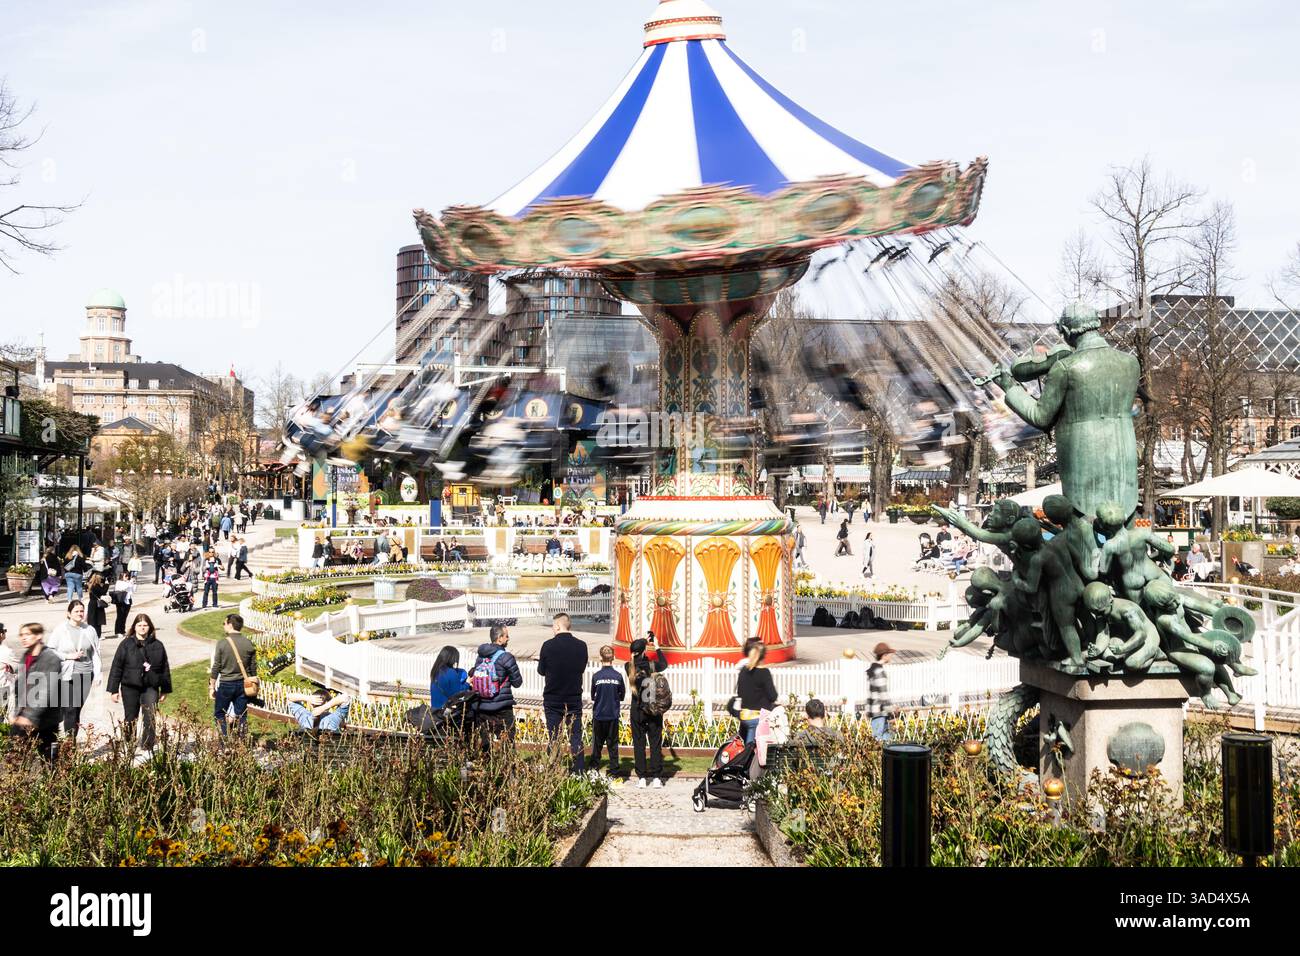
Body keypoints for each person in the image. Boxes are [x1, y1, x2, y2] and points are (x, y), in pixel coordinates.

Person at [106, 613, 171, 754]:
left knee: (150, 716)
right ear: (134, 627)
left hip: (150, 686)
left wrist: (165, 689)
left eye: (145, 625)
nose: (142, 628)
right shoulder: (126, 644)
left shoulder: (158, 645)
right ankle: (129, 743)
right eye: (139, 625)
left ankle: (148, 745)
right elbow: (117, 666)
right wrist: (113, 689)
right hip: (130, 686)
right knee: (131, 717)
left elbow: (164, 668)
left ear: (150, 627)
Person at [538, 612, 589, 773]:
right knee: (576, 737)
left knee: (554, 737)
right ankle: (579, 772)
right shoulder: (581, 646)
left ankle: (551, 771)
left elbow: (541, 671)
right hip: (573, 697)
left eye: (553, 627)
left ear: (558, 626)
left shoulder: (547, 645)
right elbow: (581, 667)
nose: (553, 630)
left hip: (553, 698)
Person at [49, 600, 100, 742]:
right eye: (76, 611)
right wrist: (67, 656)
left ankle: (71, 738)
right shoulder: (61, 630)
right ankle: (69, 743)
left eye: (81, 611)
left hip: (86, 674)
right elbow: (50, 650)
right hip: (67, 674)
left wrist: (97, 673)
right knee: (71, 708)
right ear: (69, 614)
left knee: (76, 708)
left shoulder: (90, 630)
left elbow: (96, 652)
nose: (80, 614)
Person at [12, 623, 62, 762]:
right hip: (24, 716)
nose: (23, 638)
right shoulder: (26, 656)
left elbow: (45, 691)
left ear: (39, 636)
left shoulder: (51, 658)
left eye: (27, 634)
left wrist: (29, 716)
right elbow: (19, 688)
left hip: (45, 719)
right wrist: (16, 712)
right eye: (21, 635)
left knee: (50, 760)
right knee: (14, 756)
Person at [627, 634, 668, 788]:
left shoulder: (628, 666)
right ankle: (657, 776)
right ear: (644, 651)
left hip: (636, 709)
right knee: (655, 743)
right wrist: (655, 645)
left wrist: (642, 642)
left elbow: (636, 654)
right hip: (652, 708)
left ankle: (642, 778)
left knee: (639, 744)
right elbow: (664, 663)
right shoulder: (651, 666)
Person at [472, 624, 523, 746]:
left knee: (485, 742)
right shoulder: (506, 657)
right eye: (506, 636)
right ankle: (506, 763)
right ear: (499, 638)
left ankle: (486, 763)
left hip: (482, 705)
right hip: (502, 706)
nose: (508, 638)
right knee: (508, 739)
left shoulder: (481, 657)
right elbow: (517, 683)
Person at [210, 614, 256, 737]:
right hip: (243, 685)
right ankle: (242, 741)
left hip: (226, 684)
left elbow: (216, 667)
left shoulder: (222, 643)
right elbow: (253, 668)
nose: (223, 626)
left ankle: (225, 739)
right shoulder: (248, 643)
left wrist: (212, 686)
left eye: (224, 623)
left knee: (219, 713)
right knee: (241, 714)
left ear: (230, 625)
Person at [589, 644, 625, 775]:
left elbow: (593, 695)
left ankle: (593, 770)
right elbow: (622, 695)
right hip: (612, 715)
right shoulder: (618, 676)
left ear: (600, 658)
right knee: (613, 745)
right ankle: (614, 771)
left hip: (599, 715)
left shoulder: (596, 676)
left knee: (597, 745)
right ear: (613, 657)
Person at [734, 637, 777, 746]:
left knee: (745, 747)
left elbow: (740, 692)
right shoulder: (764, 672)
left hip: (744, 715)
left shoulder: (744, 671)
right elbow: (773, 696)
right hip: (757, 717)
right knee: (751, 751)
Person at [286, 686, 352, 733]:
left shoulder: (304, 717)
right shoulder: (334, 719)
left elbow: (289, 697)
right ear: (328, 703)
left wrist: (308, 698)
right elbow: (346, 697)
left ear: (311, 704)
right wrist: (324, 707)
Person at [865, 642, 895, 740]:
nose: (891, 656)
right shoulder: (879, 672)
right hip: (879, 712)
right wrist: (891, 710)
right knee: (880, 741)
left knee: (883, 739)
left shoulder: (873, 669)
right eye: (889, 654)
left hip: (874, 711)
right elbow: (883, 695)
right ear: (884, 655)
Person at [428, 645, 470, 709]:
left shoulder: (435, 671)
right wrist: (467, 683)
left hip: (434, 710)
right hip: (445, 712)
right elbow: (457, 693)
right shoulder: (451, 672)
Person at [85, 572, 110, 639]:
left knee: (92, 620)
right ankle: (98, 635)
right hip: (97, 604)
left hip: (91, 603)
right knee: (98, 621)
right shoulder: (96, 586)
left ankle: (93, 634)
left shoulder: (90, 585)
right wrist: (106, 585)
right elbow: (103, 592)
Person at [111, 572, 136, 636]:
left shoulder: (128, 582)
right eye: (126, 576)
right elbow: (123, 588)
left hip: (128, 600)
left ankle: (122, 630)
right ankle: (117, 631)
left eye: (128, 576)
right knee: (120, 616)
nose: (127, 577)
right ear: (122, 576)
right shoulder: (119, 582)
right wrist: (130, 582)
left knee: (125, 616)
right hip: (121, 600)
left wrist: (133, 583)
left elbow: (133, 591)